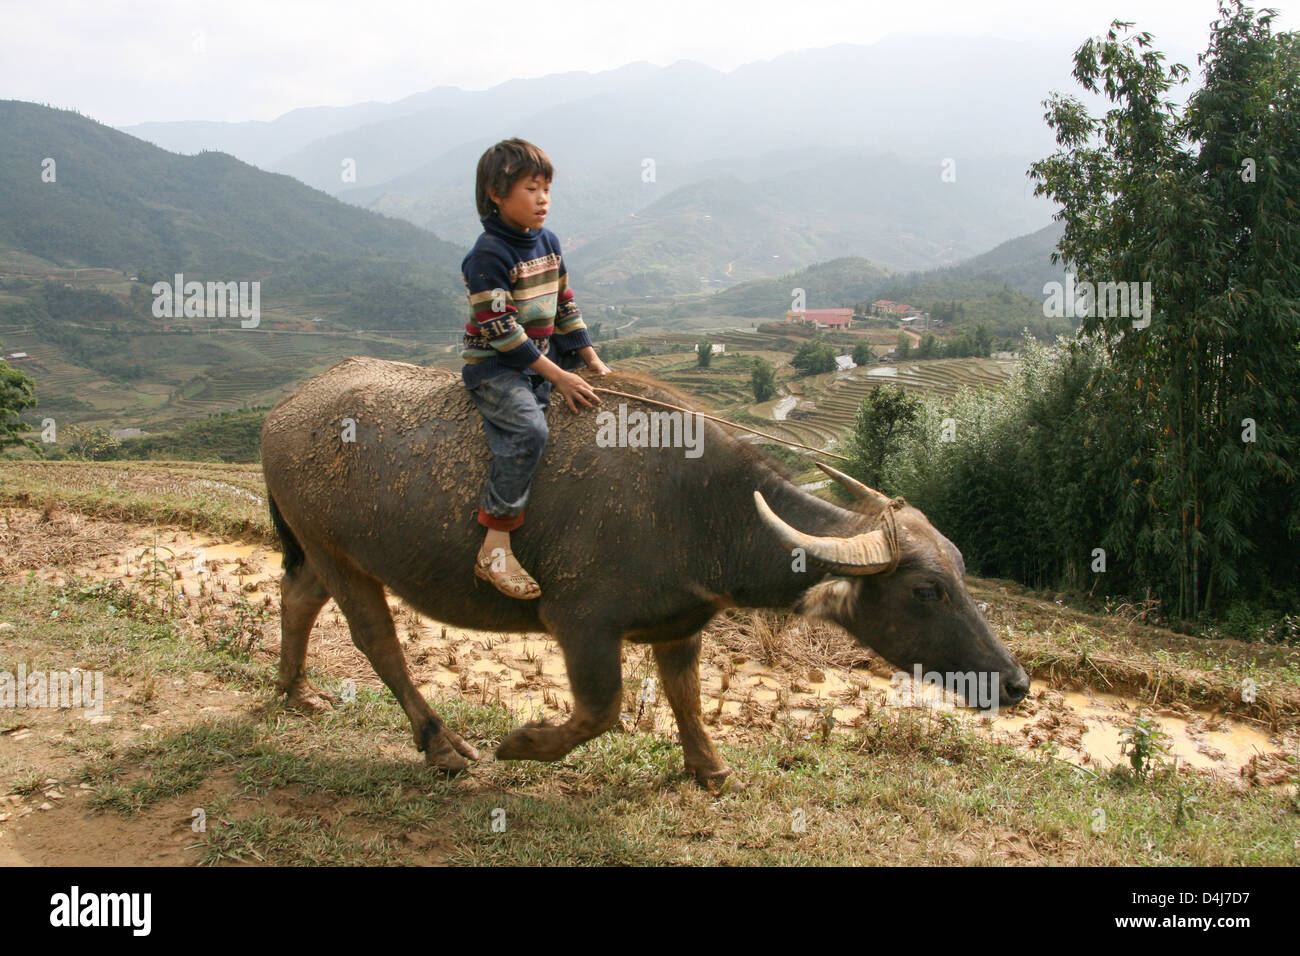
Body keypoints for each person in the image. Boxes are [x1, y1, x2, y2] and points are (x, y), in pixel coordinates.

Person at [461, 138, 611, 599]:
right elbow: (502, 331)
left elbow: (563, 303)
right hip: (498, 367)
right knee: (529, 432)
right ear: (496, 194)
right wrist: (559, 376)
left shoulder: (548, 243)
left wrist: (590, 360)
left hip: (541, 355)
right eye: (530, 188)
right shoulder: (488, 255)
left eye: (546, 187)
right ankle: (496, 545)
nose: (542, 199)